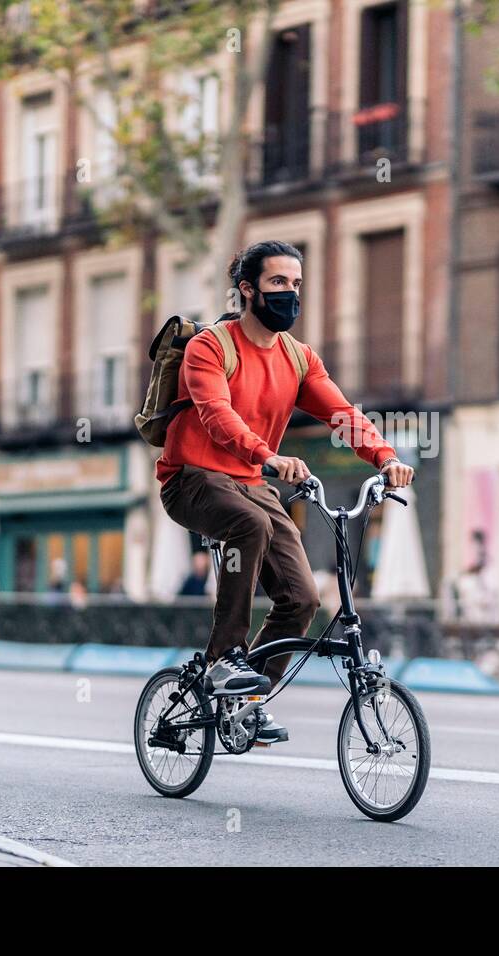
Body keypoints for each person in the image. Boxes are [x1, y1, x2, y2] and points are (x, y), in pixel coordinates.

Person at [158, 240, 413, 745]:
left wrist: (385, 458)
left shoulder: (298, 359)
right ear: (247, 290)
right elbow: (216, 415)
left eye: (297, 285)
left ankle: (248, 703)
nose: (290, 294)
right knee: (247, 524)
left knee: (301, 599)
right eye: (278, 283)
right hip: (192, 478)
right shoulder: (210, 346)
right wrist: (268, 456)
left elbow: (342, 414)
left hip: (252, 484)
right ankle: (221, 662)